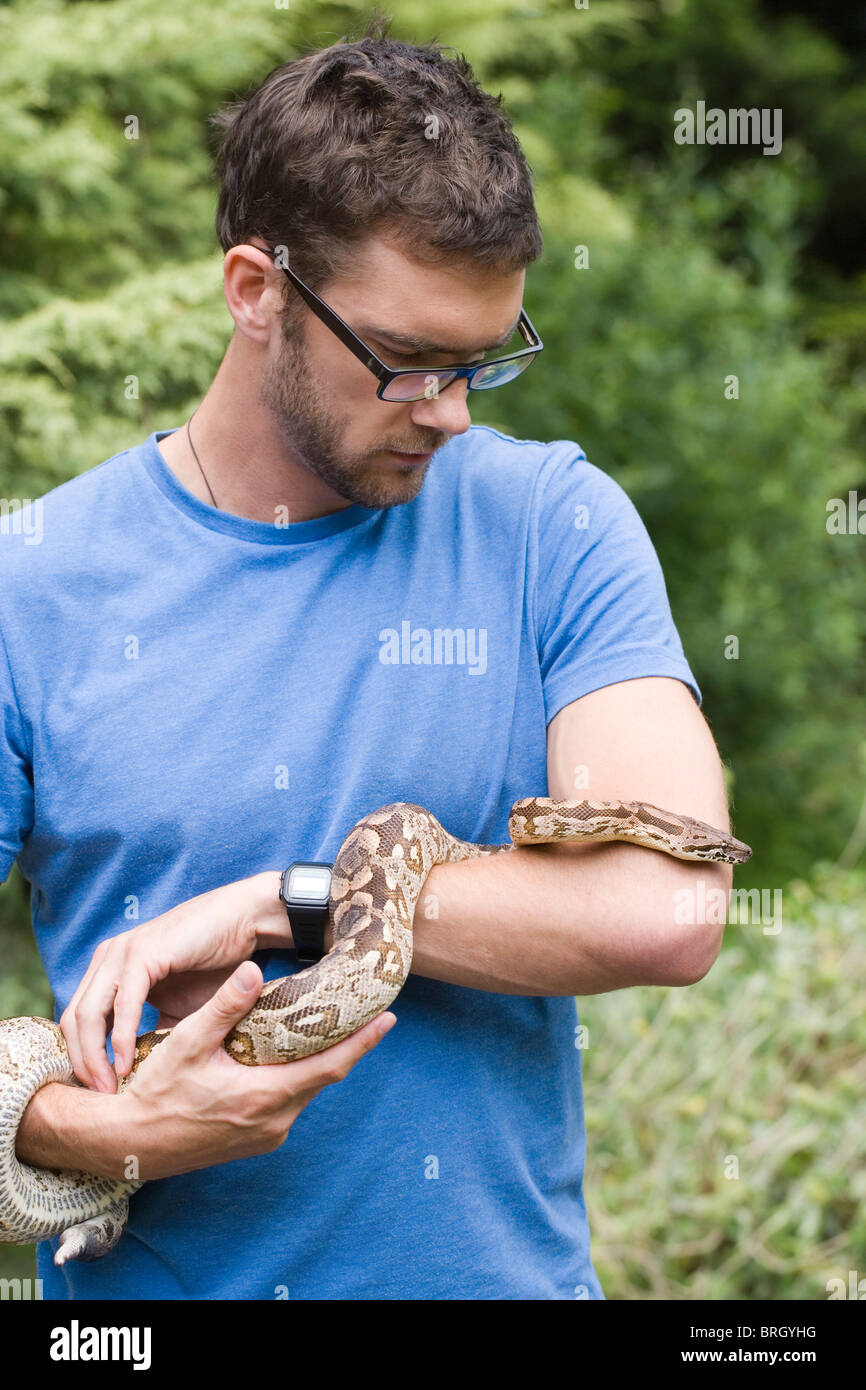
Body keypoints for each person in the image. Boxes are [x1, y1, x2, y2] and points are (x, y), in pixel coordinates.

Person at [2, 22, 734, 1300]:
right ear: (255, 289)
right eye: (406, 362)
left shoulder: (549, 523)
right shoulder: (35, 583)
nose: (451, 411)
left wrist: (291, 896)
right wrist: (91, 1132)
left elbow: (665, 908)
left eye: (483, 360)